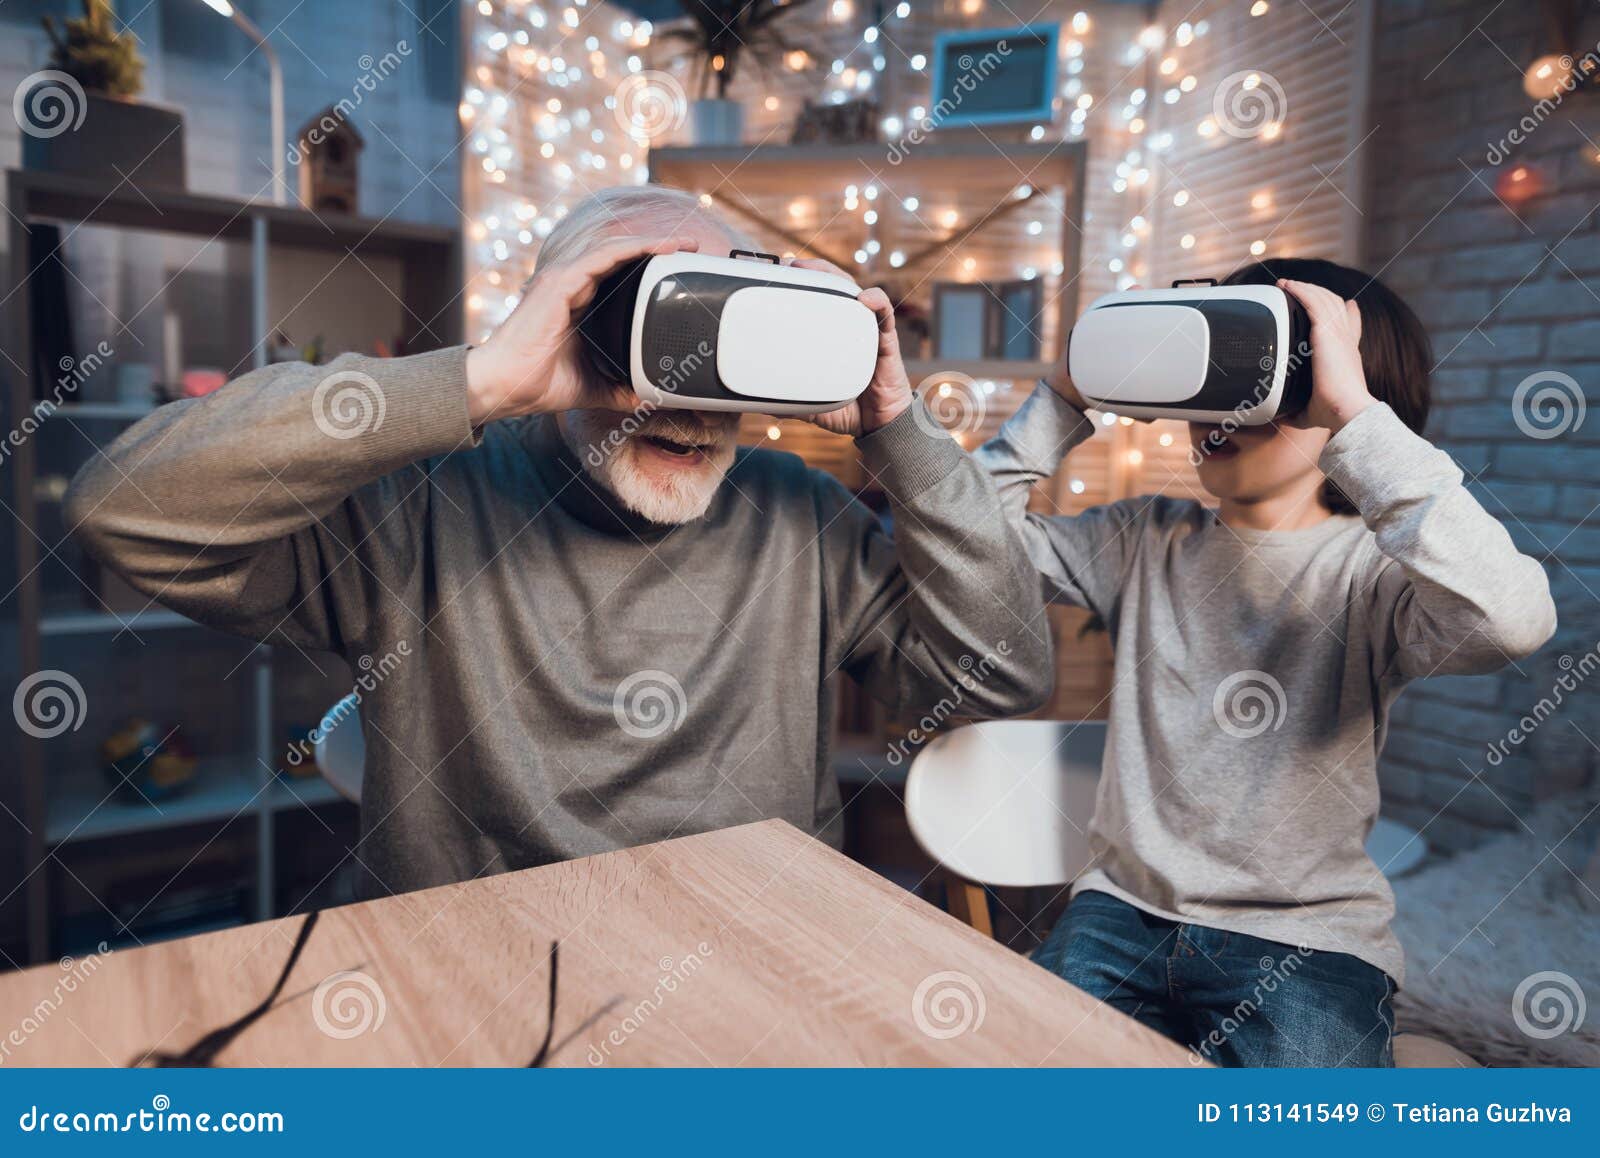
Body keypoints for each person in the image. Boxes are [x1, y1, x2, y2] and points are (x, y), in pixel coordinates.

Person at [66, 185, 1052, 899]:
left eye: (715, 335)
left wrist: (901, 433)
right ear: (552, 320)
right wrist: (478, 383)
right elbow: (126, 514)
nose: (682, 395)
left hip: (751, 955)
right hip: (482, 976)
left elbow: (1002, 684)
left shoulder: (796, 512)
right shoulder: (420, 502)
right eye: (641, 319)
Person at [975, 258, 1557, 1066]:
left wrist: (1355, 414)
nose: (1224, 409)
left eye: (1263, 378)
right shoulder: (1146, 540)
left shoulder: (1373, 574)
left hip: (1305, 935)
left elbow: (1514, 618)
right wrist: (1063, 398)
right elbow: (966, 544)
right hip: (1121, 913)